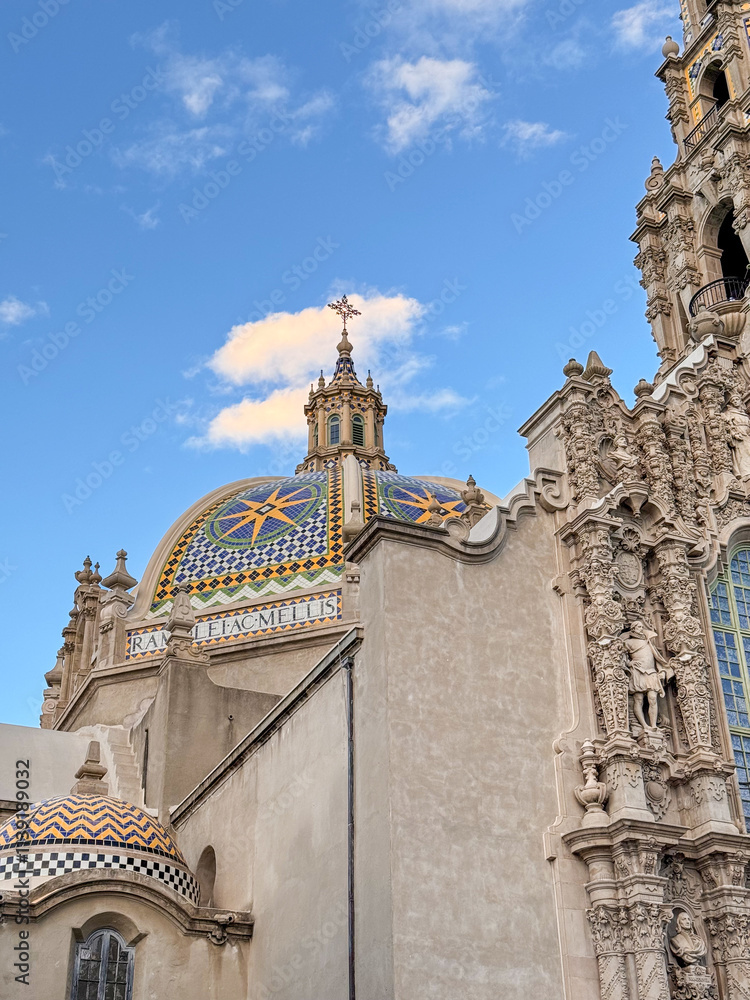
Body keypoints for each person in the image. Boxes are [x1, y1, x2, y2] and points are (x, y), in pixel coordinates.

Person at [623, 620, 673, 730]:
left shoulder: (648, 641)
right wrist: (629, 663)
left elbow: (657, 657)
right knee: (639, 699)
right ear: (634, 629)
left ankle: (653, 725)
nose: (641, 628)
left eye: (642, 626)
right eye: (639, 627)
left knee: (653, 698)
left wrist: (662, 671)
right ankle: (645, 726)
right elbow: (619, 654)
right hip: (637, 671)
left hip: (650, 672)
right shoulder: (628, 642)